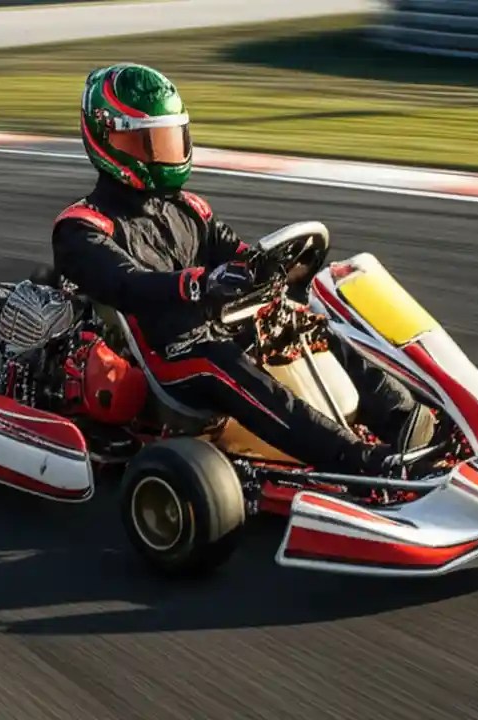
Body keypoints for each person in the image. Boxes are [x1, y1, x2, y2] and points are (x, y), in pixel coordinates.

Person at [50, 63, 439, 475]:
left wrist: (277, 271)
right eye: (144, 142)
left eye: (166, 140)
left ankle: (408, 419)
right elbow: (127, 284)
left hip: (219, 325)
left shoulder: (188, 210)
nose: (161, 154)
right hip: (168, 356)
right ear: (107, 141)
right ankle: (356, 459)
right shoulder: (81, 228)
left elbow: (237, 255)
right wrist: (201, 286)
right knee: (230, 367)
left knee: (313, 326)